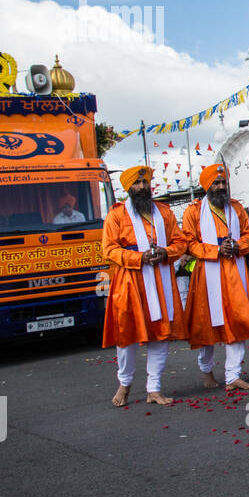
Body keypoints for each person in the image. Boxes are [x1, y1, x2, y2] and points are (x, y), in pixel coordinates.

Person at [102, 165, 188, 406]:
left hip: (160, 280)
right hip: (130, 283)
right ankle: (125, 384)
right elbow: (109, 250)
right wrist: (138, 258)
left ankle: (154, 388)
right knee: (126, 336)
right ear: (128, 188)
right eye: (136, 184)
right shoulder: (117, 215)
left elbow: (181, 242)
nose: (142, 187)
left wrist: (166, 252)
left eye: (145, 183)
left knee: (161, 333)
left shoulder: (164, 212)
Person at [182, 164, 249, 391]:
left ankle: (233, 375)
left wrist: (237, 245)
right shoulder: (193, 211)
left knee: (238, 321)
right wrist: (216, 250)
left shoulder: (236, 208)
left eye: (223, 182)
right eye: (216, 183)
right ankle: (207, 371)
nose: (220, 187)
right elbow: (188, 244)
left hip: (235, 274)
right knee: (207, 326)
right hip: (207, 275)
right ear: (207, 186)